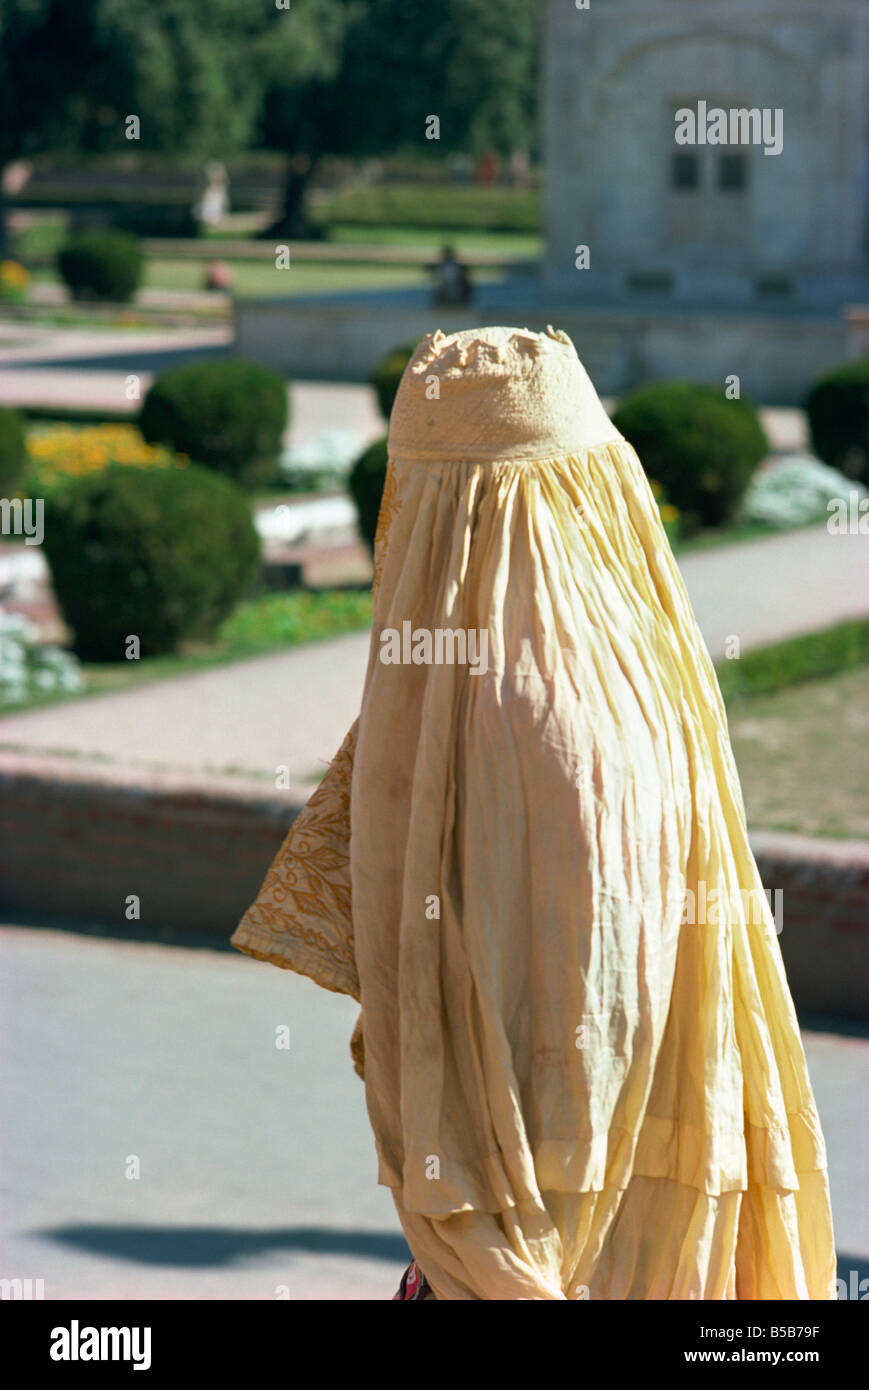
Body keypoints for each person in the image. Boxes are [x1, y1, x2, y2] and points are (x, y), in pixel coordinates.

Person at [230, 325, 837, 1301]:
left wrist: (482, 1258)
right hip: (671, 1223)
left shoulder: (488, 708)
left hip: (544, 1240)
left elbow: (549, 1028)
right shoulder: (647, 665)